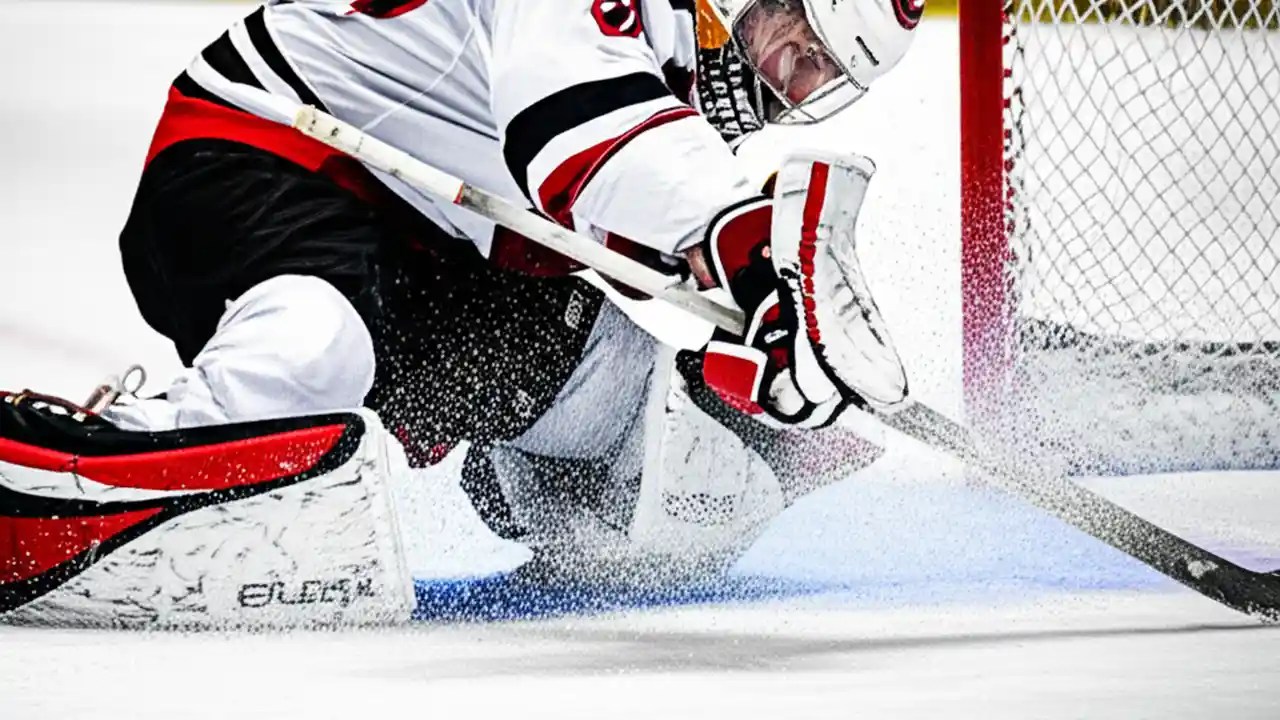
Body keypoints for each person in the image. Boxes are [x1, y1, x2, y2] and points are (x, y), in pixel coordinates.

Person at [0, 0, 920, 620]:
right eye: (796, 41)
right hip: (256, 164)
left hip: (413, 231)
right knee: (320, 343)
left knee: (644, 417)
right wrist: (752, 250)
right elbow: (572, 123)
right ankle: (86, 464)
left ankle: (552, 492)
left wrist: (770, 345)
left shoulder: (664, 60)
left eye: (819, 77)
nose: (792, 85)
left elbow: (615, 221)